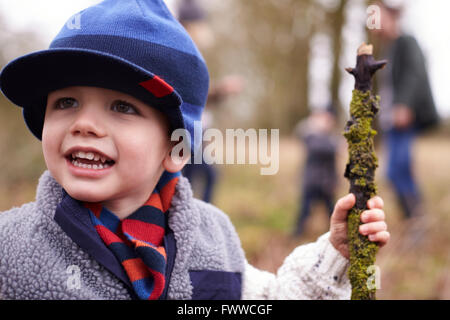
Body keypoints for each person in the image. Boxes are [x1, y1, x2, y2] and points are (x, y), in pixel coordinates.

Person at [0, 0, 389, 300]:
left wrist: (333, 256)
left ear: (176, 148)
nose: (84, 123)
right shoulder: (11, 251)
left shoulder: (213, 238)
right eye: (65, 102)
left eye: (122, 107)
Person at [373, 1, 440, 219]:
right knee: (395, 171)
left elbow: (414, 74)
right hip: (392, 120)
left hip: (403, 117)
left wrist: (404, 104)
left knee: (397, 169)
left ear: (390, 15)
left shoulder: (406, 42)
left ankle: (416, 218)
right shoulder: (388, 49)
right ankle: (413, 218)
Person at [293, 107, 339, 237]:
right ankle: (297, 233)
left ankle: (336, 233)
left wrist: (335, 181)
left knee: (331, 211)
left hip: (327, 183)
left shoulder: (331, 137)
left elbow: (334, 164)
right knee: (304, 210)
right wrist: (313, 125)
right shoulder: (310, 135)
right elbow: (321, 148)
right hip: (311, 181)